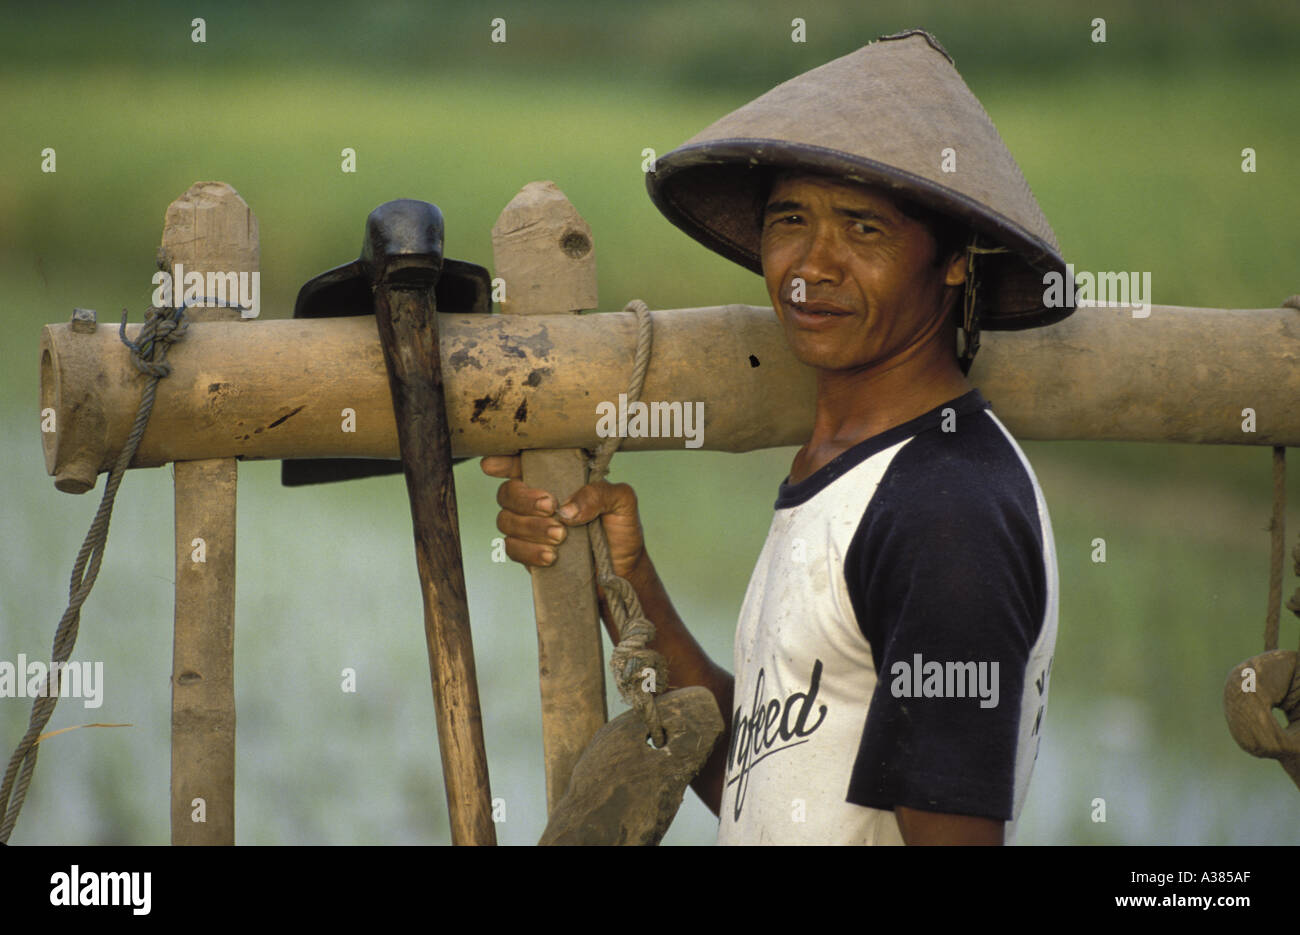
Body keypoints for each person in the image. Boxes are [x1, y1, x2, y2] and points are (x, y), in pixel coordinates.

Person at [483, 29, 1072, 845]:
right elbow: (762, 786)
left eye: (864, 229)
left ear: (954, 260)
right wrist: (624, 577)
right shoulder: (847, 472)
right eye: (791, 219)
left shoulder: (947, 513)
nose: (811, 265)